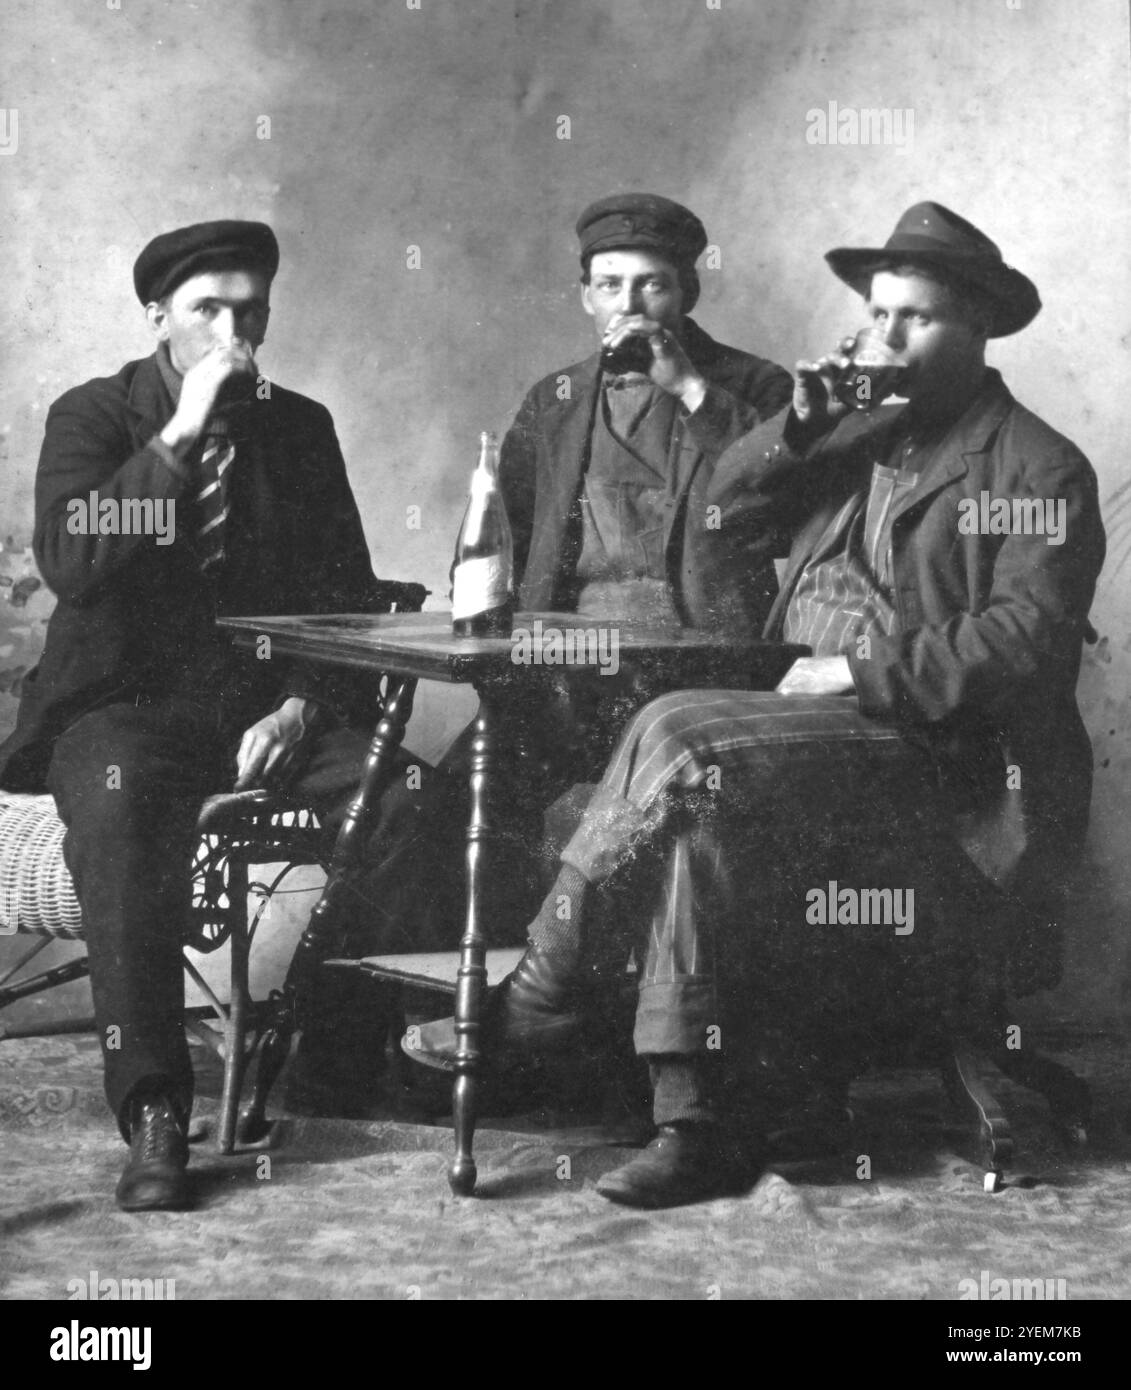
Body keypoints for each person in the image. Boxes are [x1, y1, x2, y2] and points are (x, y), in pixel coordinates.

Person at [407, 202, 1106, 1209]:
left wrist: (853, 672)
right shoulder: (862, 430)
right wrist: (800, 425)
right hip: (809, 737)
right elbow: (725, 513)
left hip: (935, 757)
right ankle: (695, 1126)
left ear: (980, 328)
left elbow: (1025, 642)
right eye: (876, 315)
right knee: (697, 815)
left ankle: (537, 995)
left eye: (916, 318)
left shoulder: (1036, 465)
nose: (887, 337)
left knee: (679, 727)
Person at [0, 220, 430, 1209]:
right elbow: (75, 562)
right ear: (157, 315)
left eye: (251, 312)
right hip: (124, 710)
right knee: (121, 816)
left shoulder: (299, 426)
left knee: (412, 801)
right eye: (208, 310)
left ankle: (326, 1057)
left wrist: (301, 707)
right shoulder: (96, 415)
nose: (234, 333)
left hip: (264, 709)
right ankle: (155, 1108)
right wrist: (182, 430)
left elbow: (346, 597)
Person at [394, 194, 794, 947]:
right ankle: (470, 990)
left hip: (699, 670)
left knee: (641, 831)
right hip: (565, 667)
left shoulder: (756, 389)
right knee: (448, 807)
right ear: (585, 295)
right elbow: (497, 536)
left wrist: (691, 390)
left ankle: (574, 991)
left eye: (652, 284)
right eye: (610, 285)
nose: (629, 305)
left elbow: (787, 506)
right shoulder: (554, 399)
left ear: (687, 291)